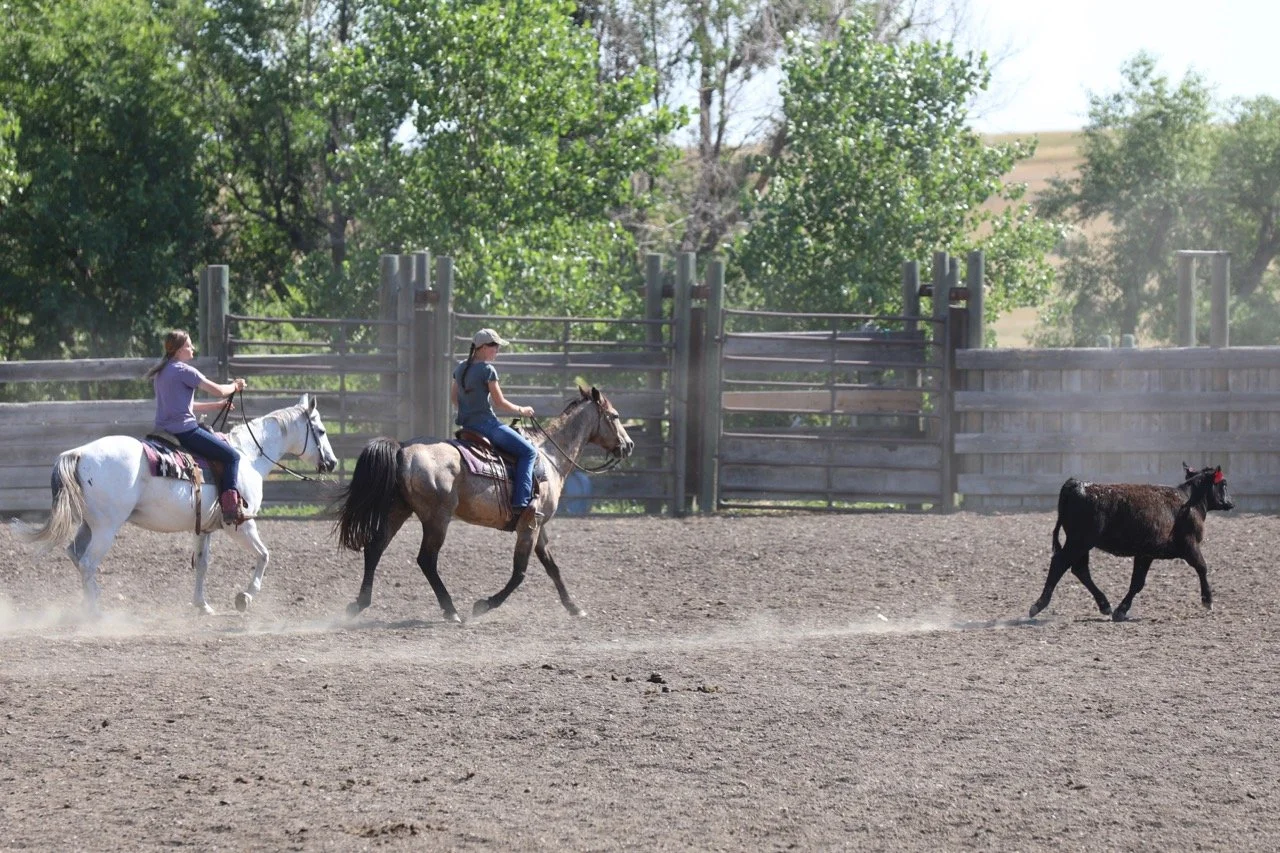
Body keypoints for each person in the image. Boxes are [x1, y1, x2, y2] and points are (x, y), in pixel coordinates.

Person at [145, 329, 247, 526]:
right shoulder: (185, 371)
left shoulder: (162, 372)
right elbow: (218, 390)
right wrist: (235, 386)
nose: (193, 348)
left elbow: (184, 406)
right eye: (189, 345)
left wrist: (216, 406)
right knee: (232, 456)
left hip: (163, 432)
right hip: (185, 432)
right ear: (178, 350)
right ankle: (230, 508)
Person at [452, 328, 540, 529]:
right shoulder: (487, 370)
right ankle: (521, 502)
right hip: (488, 426)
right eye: (494, 346)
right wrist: (522, 410)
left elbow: (453, 398)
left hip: (468, 427)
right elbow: (500, 403)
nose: (497, 350)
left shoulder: (460, 368)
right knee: (529, 452)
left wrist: (469, 410)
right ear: (482, 348)